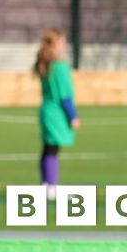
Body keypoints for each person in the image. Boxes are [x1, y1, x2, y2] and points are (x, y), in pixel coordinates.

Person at [35, 29, 80, 201]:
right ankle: (52, 186)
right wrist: (72, 116)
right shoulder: (60, 68)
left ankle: (45, 184)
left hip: (46, 110)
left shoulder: (44, 65)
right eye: (62, 43)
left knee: (47, 148)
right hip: (56, 113)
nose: (64, 46)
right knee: (53, 150)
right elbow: (65, 96)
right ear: (55, 46)